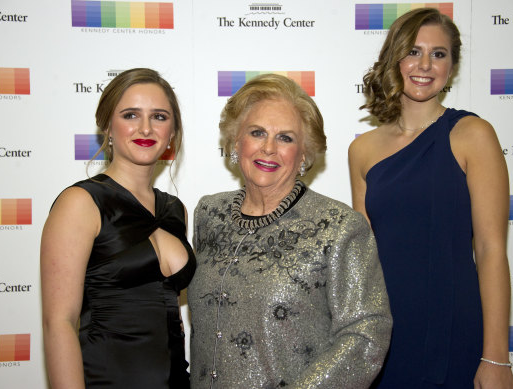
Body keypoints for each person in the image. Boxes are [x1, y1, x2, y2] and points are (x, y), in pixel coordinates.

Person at [188, 73, 392, 389]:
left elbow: (366, 334)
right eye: (257, 133)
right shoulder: (208, 214)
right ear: (235, 142)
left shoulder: (339, 227)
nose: (268, 148)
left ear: (304, 154)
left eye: (285, 138)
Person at [348, 8, 513, 389]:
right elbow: (364, 257)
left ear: (452, 65)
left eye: (438, 54)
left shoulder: (473, 134)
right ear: (394, 58)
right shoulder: (363, 150)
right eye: (413, 51)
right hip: (384, 333)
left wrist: (496, 358)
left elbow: (491, 250)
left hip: (452, 327)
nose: (425, 64)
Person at [41, 68, 196, 389]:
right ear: (107, 127)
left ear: (172, 132)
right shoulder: (81, 202)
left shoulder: (174, 210)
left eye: (159, 116)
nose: (145, 128)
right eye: (130, 115)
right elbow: (59, 324)